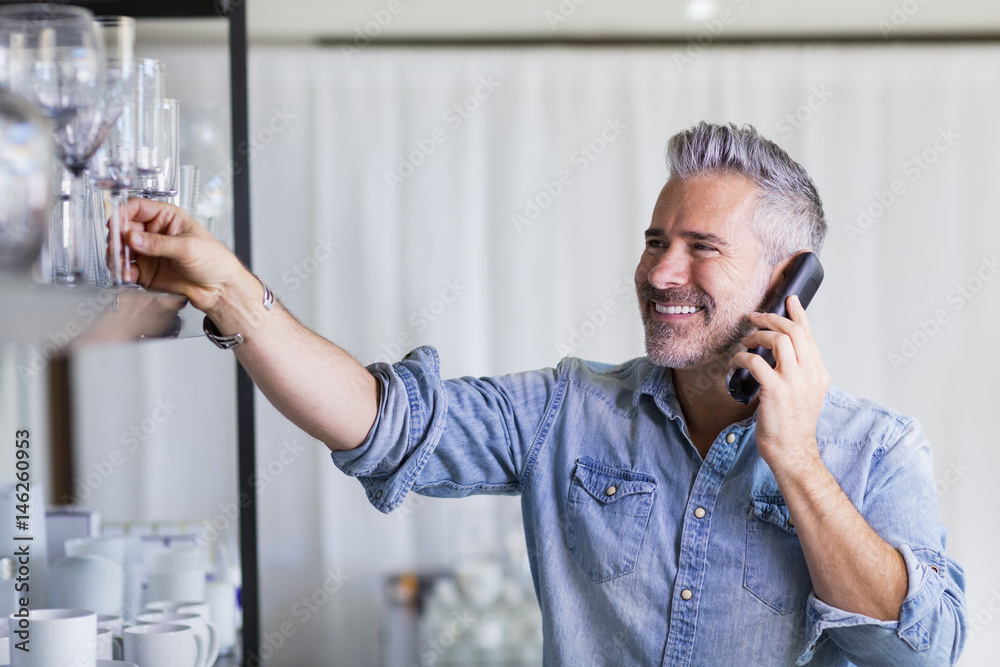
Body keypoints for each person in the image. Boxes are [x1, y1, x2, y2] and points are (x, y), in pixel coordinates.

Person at [122, 122, 966, 665]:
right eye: (653, 240)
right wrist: (230, 290)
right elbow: (384, 423)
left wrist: (798, 462)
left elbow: (925, 648)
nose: (659, 272)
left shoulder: (876, 451)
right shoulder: (571, 409)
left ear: (790, 286)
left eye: (700, 247)